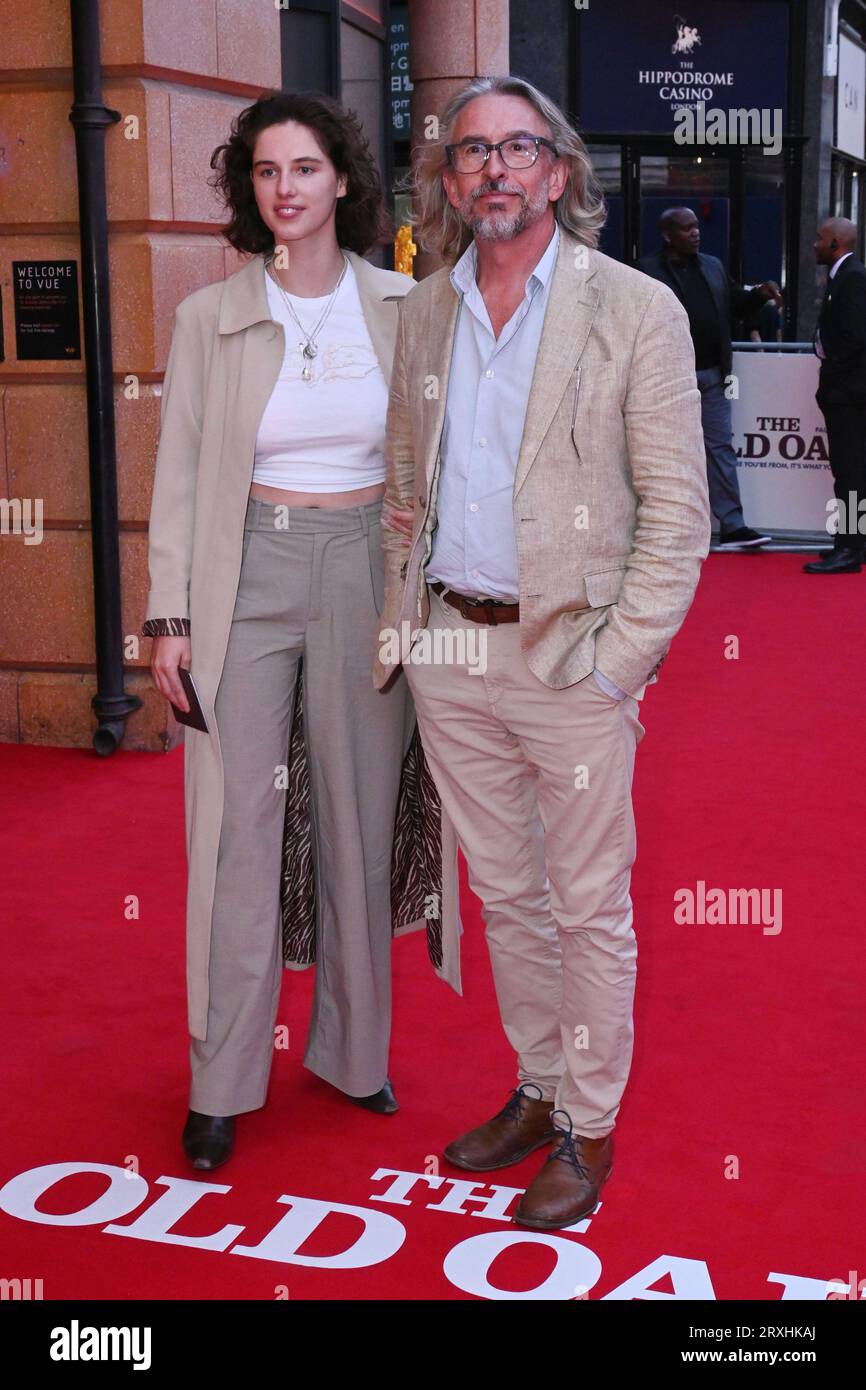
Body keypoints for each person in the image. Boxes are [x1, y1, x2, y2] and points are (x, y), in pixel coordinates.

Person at [373, 75, 710, 1230]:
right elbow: (405, 488)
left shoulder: (632, 310)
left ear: (558, 174)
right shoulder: (422, 311)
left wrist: (617, 663)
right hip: (450, 653)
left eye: (518, 149)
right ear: (449, 181)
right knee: (506, 897)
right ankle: (536, 1085)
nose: (494, 170)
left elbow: (676, 512)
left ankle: (587, 1127)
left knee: (586, 903)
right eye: (471, 153)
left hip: (570, 660)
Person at [142, 91, 457, 1172]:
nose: (285, 188)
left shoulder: (403, 305)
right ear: (251, 190)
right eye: (266, 171)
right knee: (233, 832)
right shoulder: (208, 317)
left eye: (305, 168)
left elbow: (433, 464)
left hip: (366, 571)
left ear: (340, 181)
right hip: (246, 571)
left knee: (358, 822)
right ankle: (220, 1076)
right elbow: (178, 475)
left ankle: (352, 1054)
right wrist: (168, 616)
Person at [639, 207, 780, 550]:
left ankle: (733, 526)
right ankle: (666, 529)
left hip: (713, 376)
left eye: (697, 226)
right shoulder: (646, 272)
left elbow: (733, 305)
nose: (695, 233)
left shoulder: (713, 265)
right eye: (686, 228)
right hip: (667, 378)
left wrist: (758, 296)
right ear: (667, 235)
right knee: (666, 453)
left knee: (720, 449)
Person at [803, 217, 866, 574]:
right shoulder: (845, 275)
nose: (814, 244)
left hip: (850, 395)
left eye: (818, 237)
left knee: (850, 473)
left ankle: (850, 548)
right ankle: (854, 543)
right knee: (852, 472)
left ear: (835, 243)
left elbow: (855, 337)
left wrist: (834, 376)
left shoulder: (853, 277)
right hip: (847, 392)